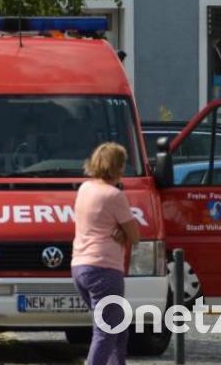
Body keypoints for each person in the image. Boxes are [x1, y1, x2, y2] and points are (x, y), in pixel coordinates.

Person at [72, 142, 140, 365]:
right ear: (117, 167)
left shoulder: (85, 188)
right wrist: (123, 230)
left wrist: (119, 228)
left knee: (118, 328)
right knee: (106, 331)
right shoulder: (114, 196)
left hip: (80, 266)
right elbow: (135, 235)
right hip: (105, 268)